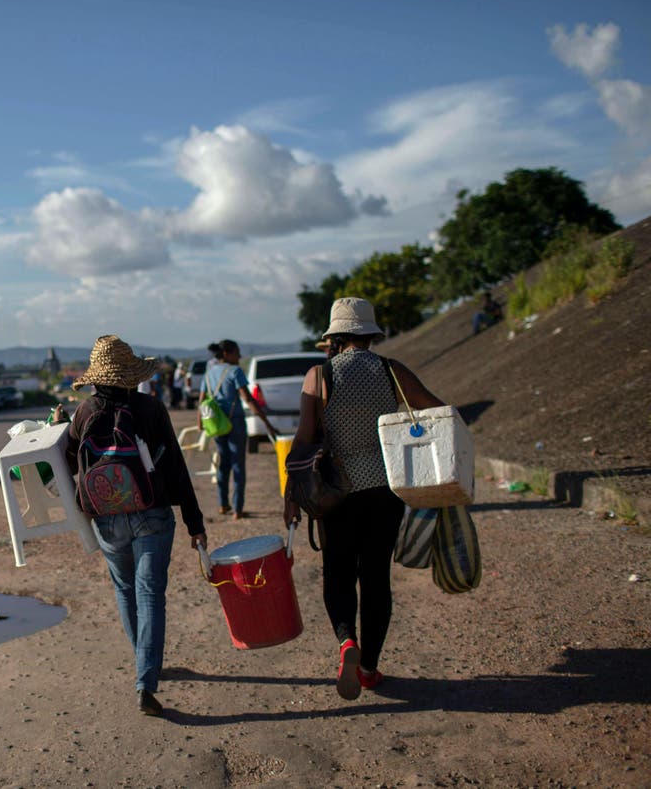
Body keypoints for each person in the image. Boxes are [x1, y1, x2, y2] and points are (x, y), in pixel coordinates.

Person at [283, 297, 444, 701]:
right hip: (385, 491)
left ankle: (345, 642)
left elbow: (303, 440)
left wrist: (290, 494)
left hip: (336, 493)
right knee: (375, 579)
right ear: (370, 335)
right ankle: (369, 667)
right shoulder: (391, 371)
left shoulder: (318, 375)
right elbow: (438, 410)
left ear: (335, 337)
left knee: (337, 572)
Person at [60, 335, 206, 717]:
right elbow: (174, 464)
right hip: (152, 512)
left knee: (125, 590)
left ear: (96, 377)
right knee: (150, 594)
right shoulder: (150, 408)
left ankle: (144, 662)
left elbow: (67, 459)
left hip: (107, 518)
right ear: (130, 375)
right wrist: (195, 522)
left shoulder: (85, 411)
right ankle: (146, 680)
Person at [200, 339, 278, 520]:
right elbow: (248, 399)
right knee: (238, 465)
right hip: (234, 423)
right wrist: (266, 422)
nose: (240, 356)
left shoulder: (209, 373)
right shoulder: (235, 371)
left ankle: (222, 504)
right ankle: (237, 509)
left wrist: (201, 423)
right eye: (237, 352)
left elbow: (202, 400)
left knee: (223, 463)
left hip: (217, 424)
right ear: (227, 353)